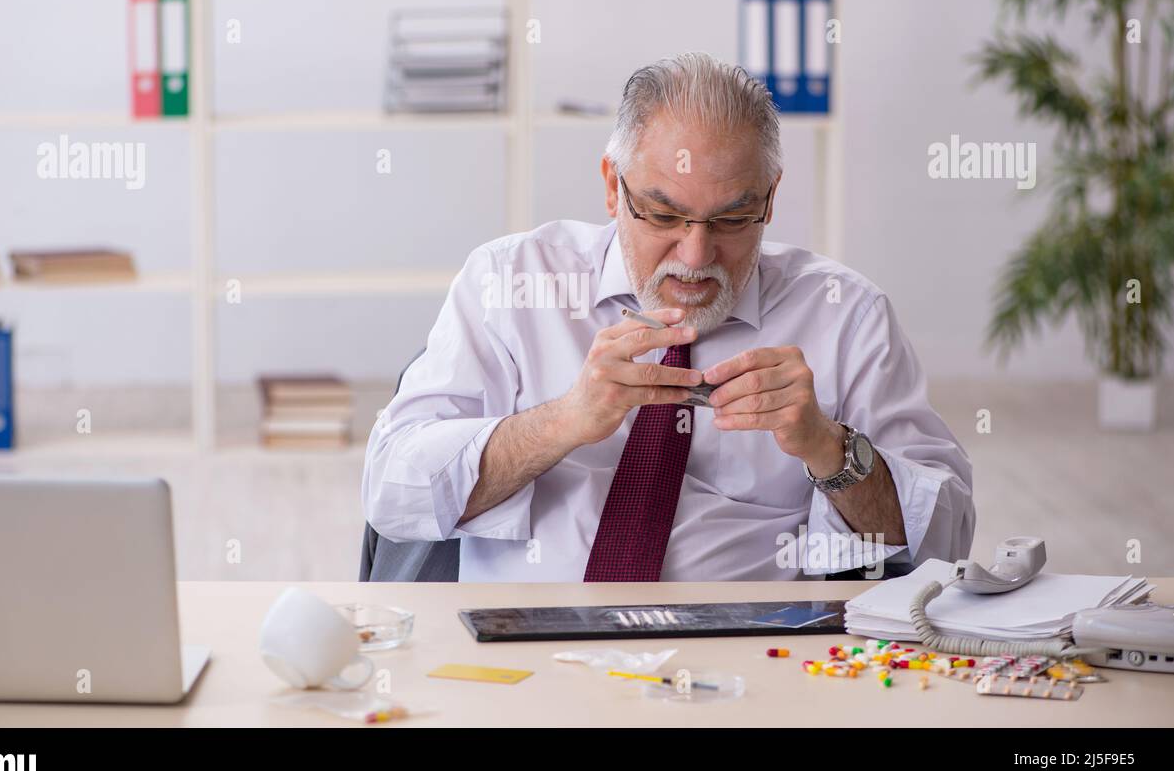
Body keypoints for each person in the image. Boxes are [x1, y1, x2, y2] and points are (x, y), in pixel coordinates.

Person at [362, 52, 973, 581]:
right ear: (612, 187)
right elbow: (393, 493)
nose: (696, 255)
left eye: (732, 219)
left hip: (750, 660)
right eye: (662, 214)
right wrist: (564, 421)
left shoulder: (847, 316)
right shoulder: (511, 281)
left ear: (771, 198)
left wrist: (829, 447)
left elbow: (946, 538)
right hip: (532, 651)